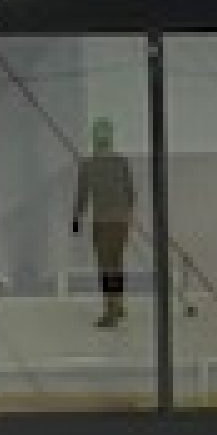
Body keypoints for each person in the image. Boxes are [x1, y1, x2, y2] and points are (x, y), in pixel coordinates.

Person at [71, 118, 137, 328]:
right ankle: (117, 303)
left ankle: (111, 311)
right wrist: (126, 213)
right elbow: (131, 194)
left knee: (106, 267)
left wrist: (76, 220)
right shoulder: (121, 162)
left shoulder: (88, 165)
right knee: (117, 265)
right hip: (121, 223)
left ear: (94, 139)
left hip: (102, 223)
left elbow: (82, 197)